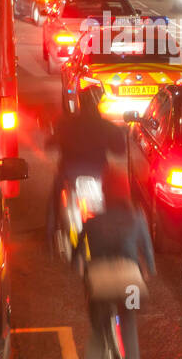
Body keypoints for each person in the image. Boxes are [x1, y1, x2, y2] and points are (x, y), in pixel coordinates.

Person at [79, 167, 156, 359]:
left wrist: (83, 272)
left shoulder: (92, 222)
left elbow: (77, 256)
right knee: (130, 333)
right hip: (130, 284)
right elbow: (149, 256)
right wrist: (147, 272)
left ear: (104, 192)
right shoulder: (138, 217)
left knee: (98, 337)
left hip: (100, 283)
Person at [47, 86, 125, 255]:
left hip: (69, 172)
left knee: (55, 196)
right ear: (97, 104)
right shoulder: (106, 125)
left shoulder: (66, 123)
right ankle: (117, 232)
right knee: (113, 195)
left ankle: (52, 233)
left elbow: (51, 142)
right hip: (98, 174)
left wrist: (54, 143)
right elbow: (119, 149)